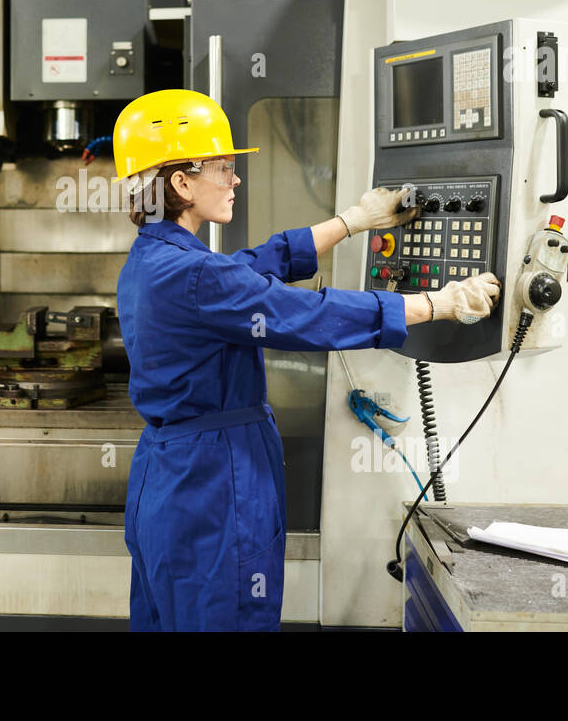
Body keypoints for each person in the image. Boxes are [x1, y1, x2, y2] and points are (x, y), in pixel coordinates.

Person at [113, 89, 500, 631]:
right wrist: (434, 304)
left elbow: (250, 267)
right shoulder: (195, 275)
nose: (235, 180)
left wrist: (353, 221)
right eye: (224, 168)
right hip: (212, 482)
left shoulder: (154, 259)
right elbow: (302, 313)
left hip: (167, 479)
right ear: (181, 182)